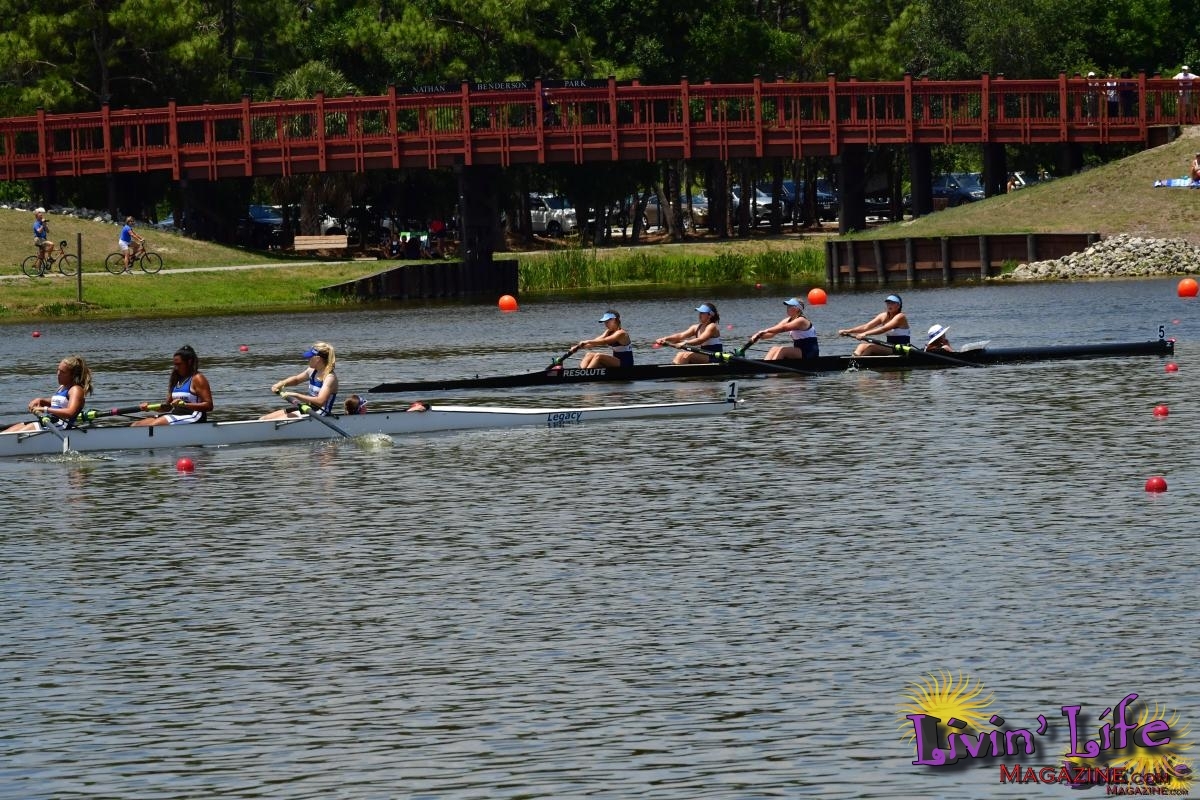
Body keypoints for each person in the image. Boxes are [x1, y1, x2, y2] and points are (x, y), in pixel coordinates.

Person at [2, 356, 94, 433]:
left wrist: (44, 409)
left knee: (18, 433)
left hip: (62, 427)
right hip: (51, 423)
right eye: (58, 370)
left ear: (73, 375)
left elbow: (70, 412)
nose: (58, 374)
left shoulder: (76, 390)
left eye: (62, 372)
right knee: (9, 431)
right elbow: (58, 403)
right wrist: (41, 400)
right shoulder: (62, 387)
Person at [131, 345, 213, 427]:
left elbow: (209, 406)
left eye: (179, 364)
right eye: (174, 364)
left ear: (189, 362)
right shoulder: (176, 380)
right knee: (136, 425)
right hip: (177, 415)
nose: (176, 368)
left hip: (194, 416)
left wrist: (185, 404)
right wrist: (149, 407)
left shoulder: (197, 378)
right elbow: (168, 407)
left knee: (154, 425)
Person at [261, 342, 339, 420]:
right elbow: (296, 380)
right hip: (309, 408)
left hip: (321, 413)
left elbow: (320, 401)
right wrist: (280, 384)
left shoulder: (330, 378)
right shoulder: (312, 371)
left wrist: (296, 395)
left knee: (276, 420)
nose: (308, 359)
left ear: (317, 359)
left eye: (310, 357)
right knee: (264, 418)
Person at [838, 294, 911, 356]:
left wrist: (865, 334)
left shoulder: (901, 317)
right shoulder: (883, 316)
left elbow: (883, 329)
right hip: (889, 347)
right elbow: (866, 327)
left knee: (870, 347)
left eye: (892, 303)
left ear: (898, 305)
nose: (889, 305)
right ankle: (853, 360)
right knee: (861, 346)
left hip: (902, 348)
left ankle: (858, 364)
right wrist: (847, 331)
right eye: (888, 303)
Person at [747, 297, 819, 360]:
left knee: (783, 350)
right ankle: (764, 368)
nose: (788, 308)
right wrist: (758, 336)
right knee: (774, 348)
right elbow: (772, 334)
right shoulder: (788, 320)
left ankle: (771, 370)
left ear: (797, 308)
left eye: (790, 306)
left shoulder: (801, 320)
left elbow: (783, 328)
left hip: (810, 352)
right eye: (787, 306)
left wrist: (766, 330)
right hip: (799, 351)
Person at [656, 303, 724, 364]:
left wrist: (685, 343)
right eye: (699, 313)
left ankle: (675, 374)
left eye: (702, 313)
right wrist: (665, 338)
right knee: (680, 354)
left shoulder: (712, 326)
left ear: (710, 315)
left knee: (685, 355)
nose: (700, 315)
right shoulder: (696, 327)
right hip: (704, 355)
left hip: (715, 357)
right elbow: (680, 336)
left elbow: (701, 339)